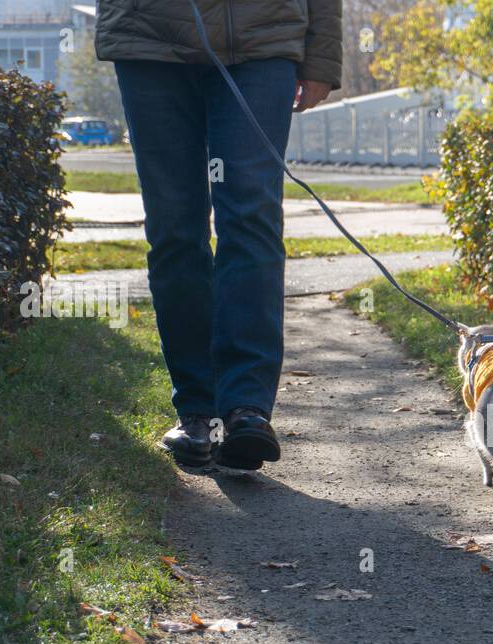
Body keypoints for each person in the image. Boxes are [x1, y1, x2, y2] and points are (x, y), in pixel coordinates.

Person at [95, 1, 343, 469]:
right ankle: (197, 412)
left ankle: (247, 409)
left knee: (251, 216)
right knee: (174, 227)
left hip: (262, 38)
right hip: (149, 38)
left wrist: (322, 58)